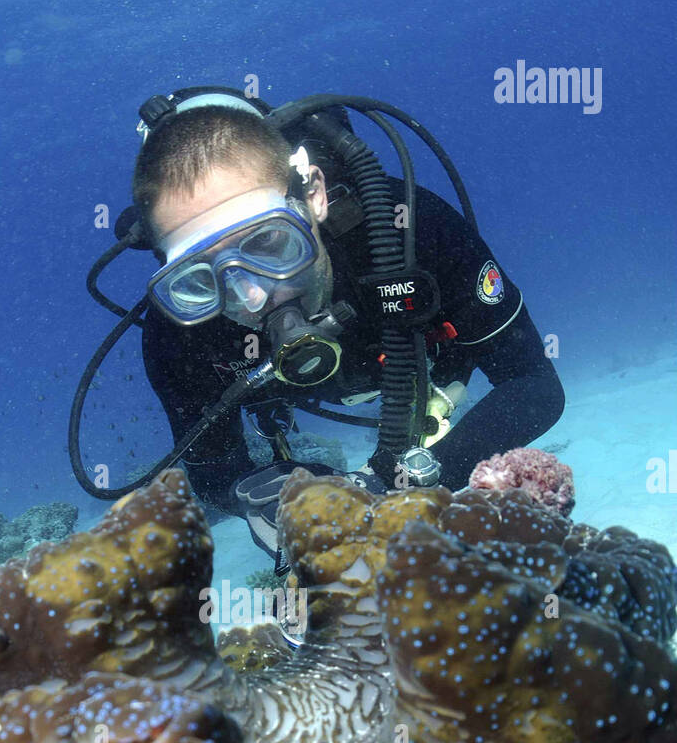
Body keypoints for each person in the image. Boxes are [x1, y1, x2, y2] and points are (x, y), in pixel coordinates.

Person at [129, 90, 565, 517]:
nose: (251, 296)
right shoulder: (177, 329)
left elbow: (533, 384)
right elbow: (213, 473)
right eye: (199, 276)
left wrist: (406, 484)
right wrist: (273, 500)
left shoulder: (407, 228)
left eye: (268, 242)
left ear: (313, 195)